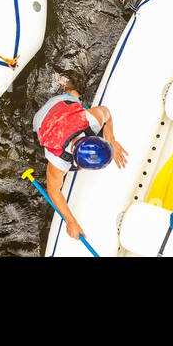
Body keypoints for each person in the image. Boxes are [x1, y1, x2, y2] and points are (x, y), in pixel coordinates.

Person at [32, 90, 128, 241]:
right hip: (40, 119)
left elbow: (107, 112)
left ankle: (70, 92)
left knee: (74, 94)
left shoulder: (91, 119)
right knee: (73, 96)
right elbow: (53, 191)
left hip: (62, 103)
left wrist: (111, 139)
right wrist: (71, 221)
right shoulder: (58, 161)